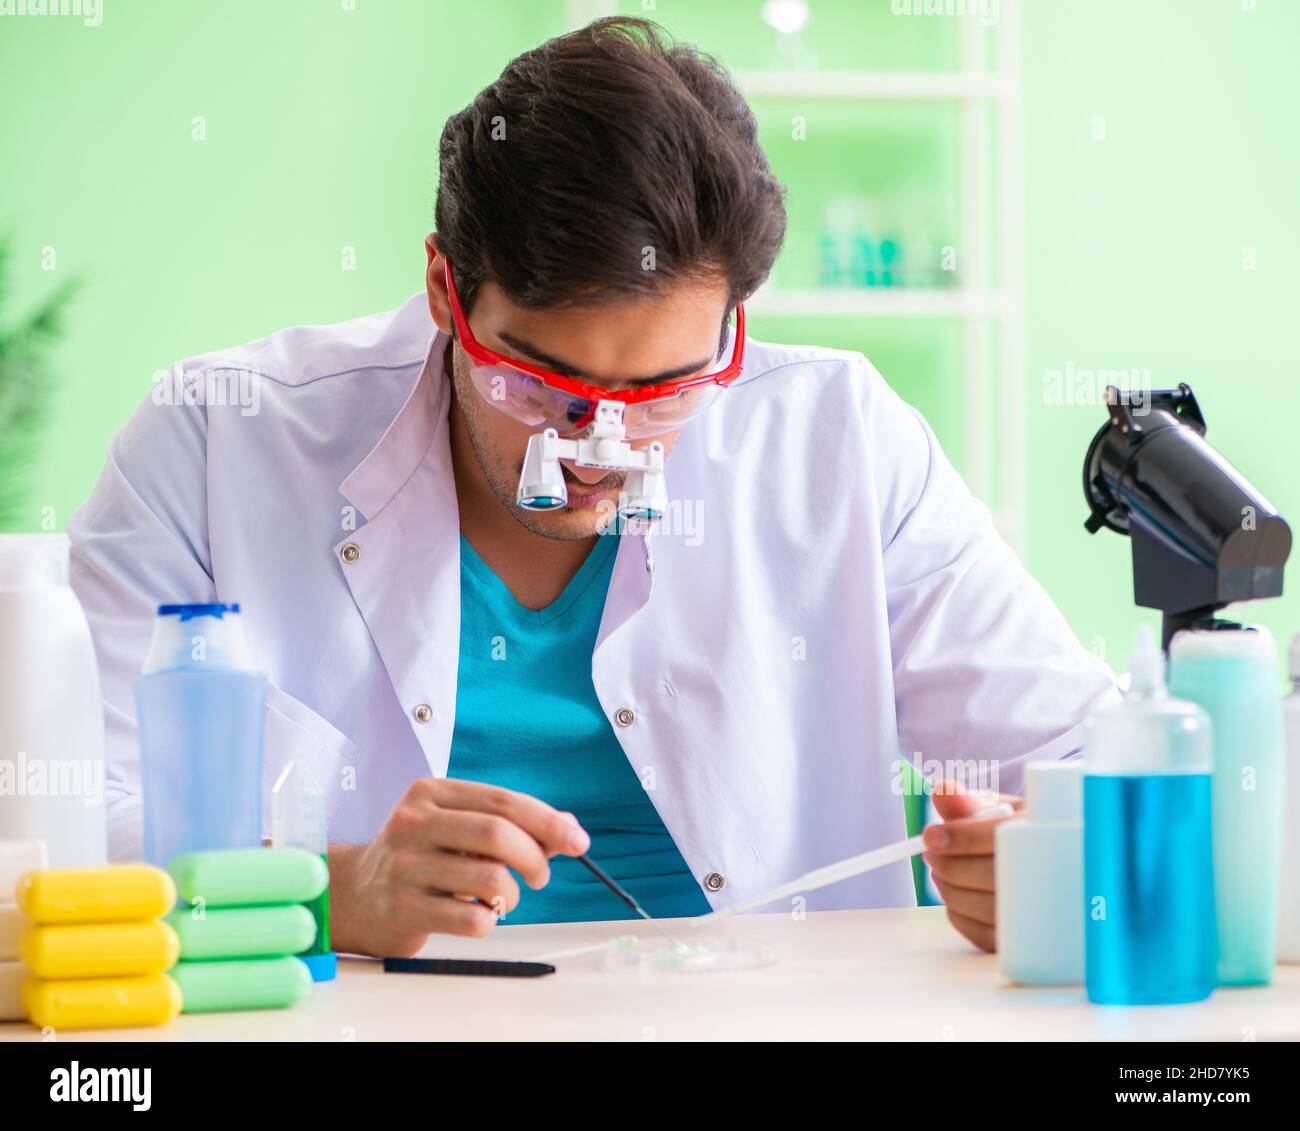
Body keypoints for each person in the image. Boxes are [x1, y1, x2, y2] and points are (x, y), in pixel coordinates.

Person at [68, 17, 1116, 959]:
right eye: (540, 385)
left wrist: (1052, 864)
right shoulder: (219, 441)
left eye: (664, 390)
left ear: (732, 329)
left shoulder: (837, 438)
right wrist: (329, 892)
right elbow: (59, 820)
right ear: (445, 291)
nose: (601, 448)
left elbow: (1085, 763)